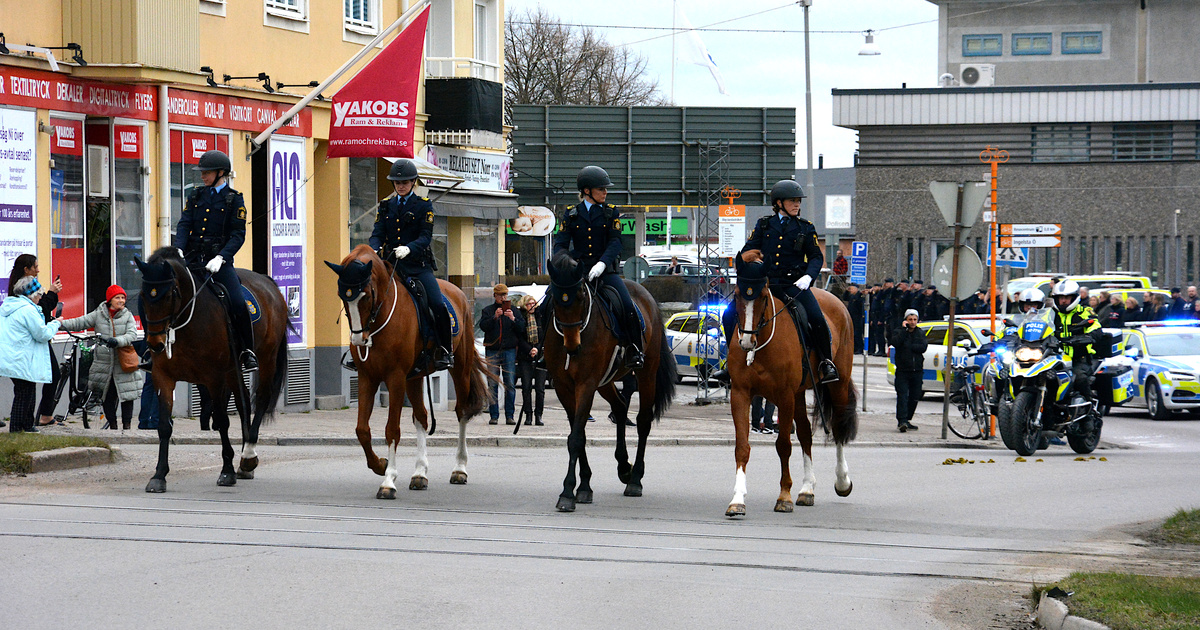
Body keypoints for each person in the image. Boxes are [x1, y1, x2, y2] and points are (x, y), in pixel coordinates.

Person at [719, 179, 839, 384]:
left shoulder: (805, 228)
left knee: (816, 319)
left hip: (794, 285)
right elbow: (749, 249)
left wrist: (808, 277)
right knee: (729, 315)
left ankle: (826, 362)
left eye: (798, 201)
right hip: (766, 285)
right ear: (779, 203)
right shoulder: (764, 225)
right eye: (792, 201)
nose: (797, 205)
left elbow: (816, 257)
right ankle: (731, 363)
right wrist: (752, 263)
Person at [172, 149, 257, 370]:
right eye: (202, 172)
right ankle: (159, 349)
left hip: (218, 262)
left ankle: (247, 350)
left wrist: (221, 257)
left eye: (207, 172)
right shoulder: (196, 195)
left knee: (238, 303)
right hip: (192, 258)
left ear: (221, 173)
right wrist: (178, 248)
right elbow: (184, 224)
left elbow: (238, 235)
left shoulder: (234, 200)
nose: (202, 176)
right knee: (167, 293)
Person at [552, 165, 644, 369]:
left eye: (605, 189)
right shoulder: (571, 214)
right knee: (547, 302)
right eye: (601, 188)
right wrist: (567, 263)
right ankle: (544, 349)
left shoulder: (611, 213)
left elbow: (616, 242)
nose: (605, 192)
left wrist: (602, 264)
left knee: (628, 306)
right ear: (587, 191)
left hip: (605, 273)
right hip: (579, 272)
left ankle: (634, 349)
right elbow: (561, 244)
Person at [369, 158, 454, 371]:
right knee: (366, 299)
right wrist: (373, 249)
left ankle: (444, 350)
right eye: (397, 182)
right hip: (390, 266)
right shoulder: (386, 205)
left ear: (413, 182)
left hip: (417, 265)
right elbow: (378, 233)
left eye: (405, 182)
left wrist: (409, 248)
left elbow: (426, 236)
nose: (401, 185)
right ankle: (363, 347)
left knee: (436, 303)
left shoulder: (423, 205)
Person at [59, 285, 140, 430]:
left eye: (123, 298)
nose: (121, 301)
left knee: (127, 396)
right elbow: (80, 322)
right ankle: (113, 426)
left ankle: (127, 427)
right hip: (104, 363)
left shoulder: (128, 315)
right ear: (110, 300)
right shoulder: (99, 314)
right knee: (106, 396)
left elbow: (132, 334)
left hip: (123, 363)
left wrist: (118, 341)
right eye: (117, 298)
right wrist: (60, 324)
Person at [8, 254, 64, 427]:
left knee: (28, 387)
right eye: (35, 266)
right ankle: (20, 428)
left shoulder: (20, 298)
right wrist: (54, 322)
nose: (38, 269)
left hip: (26, 346)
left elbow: (40, 311)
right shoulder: (26, 304)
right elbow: (40, 323)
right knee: (26, 389)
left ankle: (27, 425)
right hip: (27, 346)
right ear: (26, 269)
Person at [479, 284, 525, 425]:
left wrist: (513, 319)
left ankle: (509, 415)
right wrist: (494, 317)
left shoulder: (514, 311)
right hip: (493, 350)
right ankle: (494, 415)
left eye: (505, 295)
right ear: (495, 296)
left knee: (510, 383)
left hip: (509, 350)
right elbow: (483, 326)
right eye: (500, 296)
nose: (503, 298)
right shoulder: (488, 310)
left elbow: (522, 329)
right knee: (492, 383)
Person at [1048, 280, 1101, 404]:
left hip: (1078, 359)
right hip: (1053, 359)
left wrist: (1088, 336)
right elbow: (1039, 327)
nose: (1063, 301)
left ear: (1074, 298)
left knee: (1079, 378)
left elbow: (1096, 327)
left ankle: (1090, 408)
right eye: (1060, 298)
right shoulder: (1050, 314)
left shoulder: (1084, 312)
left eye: (1067, 297)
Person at [891, 309, 926, 433]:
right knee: (902, 396)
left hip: (917, 370)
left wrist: (910, 346)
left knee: (914, 396)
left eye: (915, 319)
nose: (913, 322)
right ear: (906, 320)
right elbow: (895, 342)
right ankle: (902, 421)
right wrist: (904, 331)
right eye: (910, 319)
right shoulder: (899, 332)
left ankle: (908, 419)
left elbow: (923, 347)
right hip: (903, 370)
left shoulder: (920, 333)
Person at [516, 295, 546, 426]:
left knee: (540, 388)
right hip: (525, 356)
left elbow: (544, 335)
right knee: (526, 387)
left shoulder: (541, 317)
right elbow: (519, 336)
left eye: (534, 303)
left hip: (540, 356)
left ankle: (538, 415)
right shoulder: (521, 318)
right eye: (529, 304)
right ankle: (528, 415)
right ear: (524, 305)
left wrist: (537, 349)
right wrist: (529, 349)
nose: (532, 306)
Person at [843, 283, 865, 354]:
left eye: (852, 289)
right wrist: (846, 291)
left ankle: (860, 348)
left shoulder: (860, 295)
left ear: (856, 289)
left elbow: (861, 307)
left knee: (858, 333)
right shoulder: (852, 296)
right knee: (852, 333)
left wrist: (862, 317)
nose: (851, 290)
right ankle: (855, 348)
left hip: (858, 317)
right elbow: (845, 298)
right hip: (851, 316)